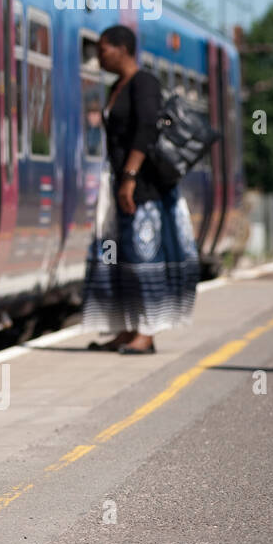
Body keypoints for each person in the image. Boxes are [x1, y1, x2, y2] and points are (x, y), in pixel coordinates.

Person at [84, 25, 199, 354]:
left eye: (104, 48)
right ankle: (126, 328)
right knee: (121, 260)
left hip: (143, 188)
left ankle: (146, 334)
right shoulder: (117, 87)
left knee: (144, 257)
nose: (99, 54)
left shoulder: (144, 83)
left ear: (122, 49)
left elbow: (147, 127)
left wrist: (131, 176)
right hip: (122, 184)